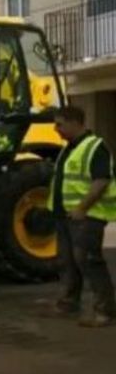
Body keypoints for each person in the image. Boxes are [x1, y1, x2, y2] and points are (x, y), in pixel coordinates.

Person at [48, 106, 116, 327]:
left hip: (87, 216)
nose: (55, 129)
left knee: (88, 260)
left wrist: (82, 208)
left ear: (74, 122)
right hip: (66, 216)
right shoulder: (68, 148)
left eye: (59, 124)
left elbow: (101, 181)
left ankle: (105, 311)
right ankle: (68, 303)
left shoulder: (95, 147)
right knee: (67, 262)